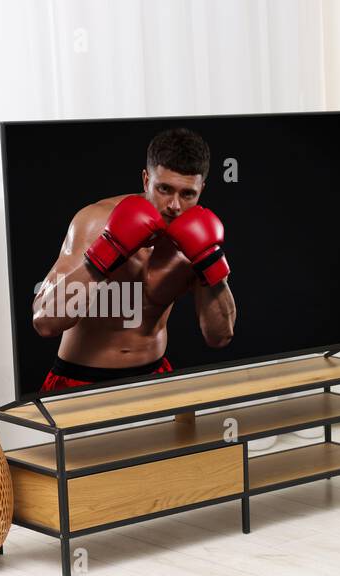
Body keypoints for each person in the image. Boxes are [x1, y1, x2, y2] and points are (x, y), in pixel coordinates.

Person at [30, 127, 236, 393]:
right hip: (80, 379)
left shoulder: (200, 240)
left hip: (154, 378)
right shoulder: (94, 222)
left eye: (187, 194)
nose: (174, 205)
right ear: (145, 179)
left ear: (201, 189)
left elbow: (220, 336)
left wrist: (210, 263)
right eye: (164, 189)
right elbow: (45, 322)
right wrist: (106, 253)